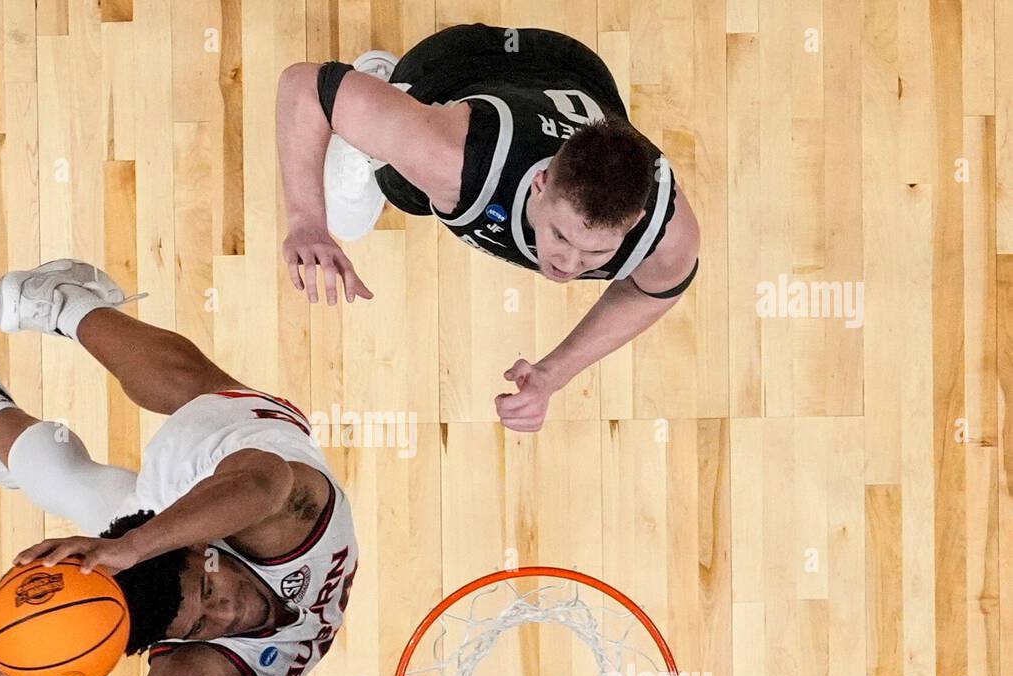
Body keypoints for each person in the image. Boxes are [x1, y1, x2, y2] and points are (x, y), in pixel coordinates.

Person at [0, 260, 358, 676]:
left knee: (195, 387)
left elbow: (264, 484)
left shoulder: (281, 522)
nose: (225, 618)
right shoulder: (193, 666)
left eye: (210, 593)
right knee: (74, 484)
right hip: (153, 529)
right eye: (200, 624)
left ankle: (60, 302)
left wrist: (132, 546)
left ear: (203, 551)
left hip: (210, 471)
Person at [276, 23, 701, 432]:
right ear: (540, 184)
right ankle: (380, 94)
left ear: (637, 223)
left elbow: (652, 291)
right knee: (389, 194)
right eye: (560, 235)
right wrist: (306, 222)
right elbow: (306, 85)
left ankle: (379, 120)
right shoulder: (456, 159)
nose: (568, 263)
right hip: (453, 67)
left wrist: (553, 374)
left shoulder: (667, 239)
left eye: (596, 254)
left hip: (575, 69)